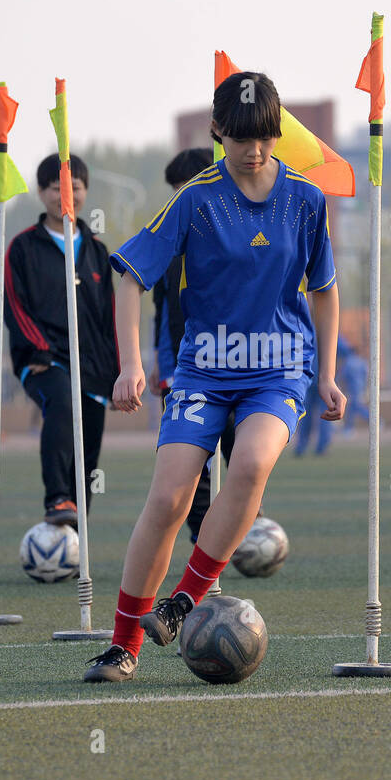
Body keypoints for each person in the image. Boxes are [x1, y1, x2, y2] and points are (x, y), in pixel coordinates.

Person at [84, 70, 344, 682]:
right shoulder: (196, 199)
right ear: (218, 132)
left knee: (251, 463)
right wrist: (131, 366)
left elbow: (326, 291)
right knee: (170, 498)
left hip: (279, 368)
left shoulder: (306, 199)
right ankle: (123, 645)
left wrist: (327, 374)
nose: (254, 151)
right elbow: (129, 274)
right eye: (240, 138)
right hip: (203, 370)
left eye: (265, 138)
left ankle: (182, 601)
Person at [4, 154, 118, 529]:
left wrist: (119, 372)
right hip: (44, 360)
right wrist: (37, 349)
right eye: (56, 187)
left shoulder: (98, 251)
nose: (65, 195)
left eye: (74, 187)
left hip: (93, 368)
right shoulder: (23, 248)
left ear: (85, 192)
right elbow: (15, 304)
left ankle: (74, 535)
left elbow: (110, 317)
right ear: (41, 192)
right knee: (62, 403)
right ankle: (57, 498)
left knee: (88, 449)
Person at [149, 148, 238, 544]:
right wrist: (161, 365)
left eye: (185, 186)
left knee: (239, 445)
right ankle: (203, 533)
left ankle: (244, 523)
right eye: (174, 189)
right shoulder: (170, 245)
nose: (179, 196)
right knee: (189, 462)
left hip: (237, 367)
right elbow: (162, 311)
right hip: (185, 373)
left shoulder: (238, 241)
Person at [336, 334, 369, 434]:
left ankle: (375, 420)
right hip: (361, 388)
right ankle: (349, 428)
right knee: (352, 408)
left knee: (355, 407)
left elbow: (343, 376)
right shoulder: (362, 362)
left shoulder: (349, 362)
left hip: (352, 389)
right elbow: (366, 375)